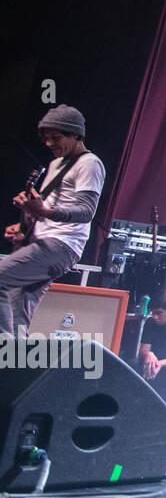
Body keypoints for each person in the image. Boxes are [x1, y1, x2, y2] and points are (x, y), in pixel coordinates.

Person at [2, 105, 106, 337]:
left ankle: (4, 352)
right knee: (18, 308)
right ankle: (17, 364)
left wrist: (46, 211)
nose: (49, 144)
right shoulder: (55, 165)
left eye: (56, 138)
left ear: (76, 134)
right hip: (44, 243)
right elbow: (46, 210)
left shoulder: (89, 163)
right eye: (46, 139)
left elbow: (86, 211)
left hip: (60, 246)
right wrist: (23, 223)